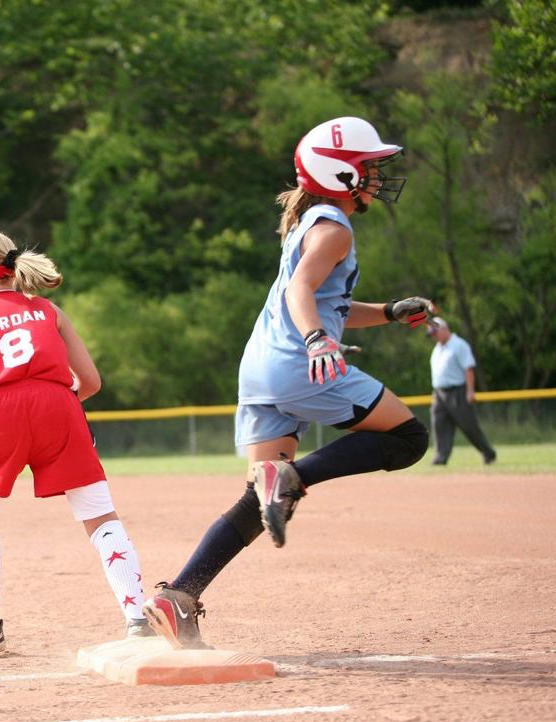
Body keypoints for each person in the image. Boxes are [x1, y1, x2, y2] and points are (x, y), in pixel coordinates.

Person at [144, 117, 435, 649]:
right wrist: (318, 340)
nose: (375, 176)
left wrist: (390, 312)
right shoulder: (335, 228)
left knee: (258, 504)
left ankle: (179, 596)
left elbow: (333, 305)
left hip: (262, 367)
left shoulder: (314, 223)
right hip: (296, 363)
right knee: (410, 438)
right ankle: (290, 476)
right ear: (340, 174)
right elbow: (304, 292)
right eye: (367, 167)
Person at [0, 230, 163, 655]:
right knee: (99, 515)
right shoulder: (48, 311)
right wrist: (54, 406)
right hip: (59, 408)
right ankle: (138, 618)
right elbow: (92, 381)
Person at [427, 316, 497, 465]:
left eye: (435, 332)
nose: (433, 336)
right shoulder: (438, 348)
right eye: (431, 334)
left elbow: (469, 368)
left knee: (469, 426)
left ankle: (488, 452)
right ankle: (441, 456)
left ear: (444, 329)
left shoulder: (459, 345)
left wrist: (470, 391)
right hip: (439, 393)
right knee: (439, 424)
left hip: (457, 391)